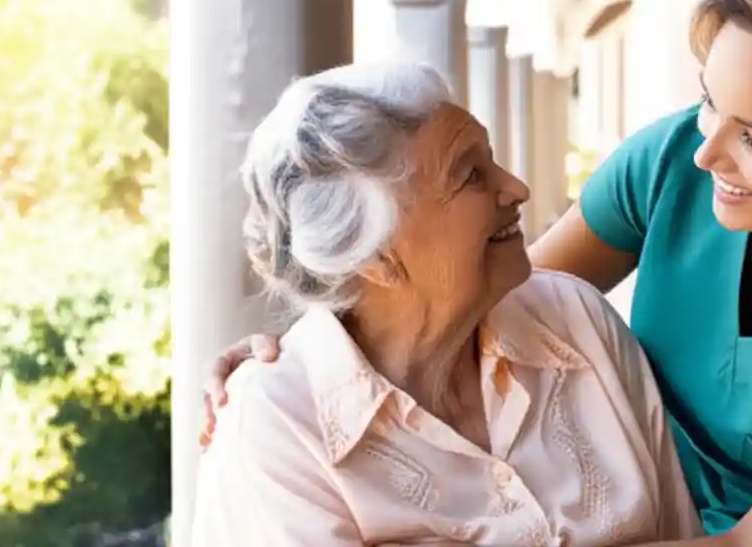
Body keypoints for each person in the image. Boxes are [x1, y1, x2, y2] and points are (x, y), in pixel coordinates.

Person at [202, 0, 752, 546]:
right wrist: (311, 355)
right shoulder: (675, 169)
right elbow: (472, 301)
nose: (705, 153)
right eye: (707, 102)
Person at [191, 63, 701, 546]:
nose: (516, 188)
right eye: (471, 175)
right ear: (375, 256)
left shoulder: (577, 319)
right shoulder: (278, 428)